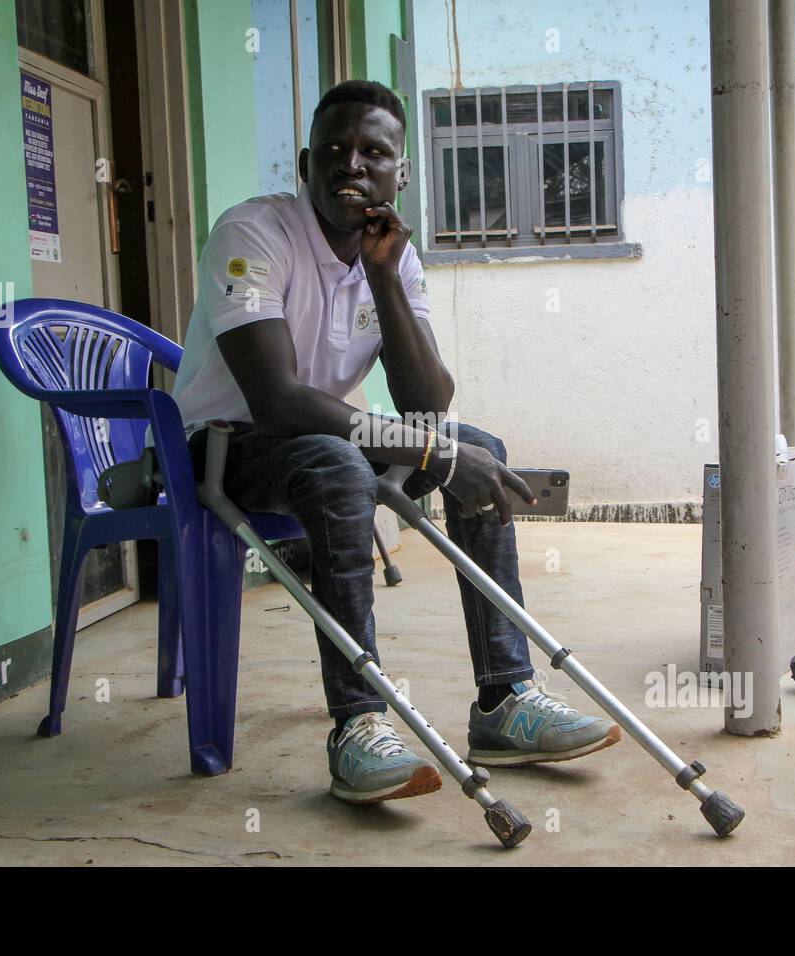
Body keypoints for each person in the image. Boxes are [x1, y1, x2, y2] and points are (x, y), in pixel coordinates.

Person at [173, 79, 619, 805]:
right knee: (342, 465)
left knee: (479, 446)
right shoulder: (252, 232)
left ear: (399, 173)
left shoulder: (394, 256)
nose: (352, 165)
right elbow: (278, 401)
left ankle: (504, 701)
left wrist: (382, 278)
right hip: (228, 447)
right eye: (334, 151)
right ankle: (357, 724)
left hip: (325, 437)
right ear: (305, 165)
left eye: (373, 152)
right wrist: (432, 454)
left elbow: (427, 403)